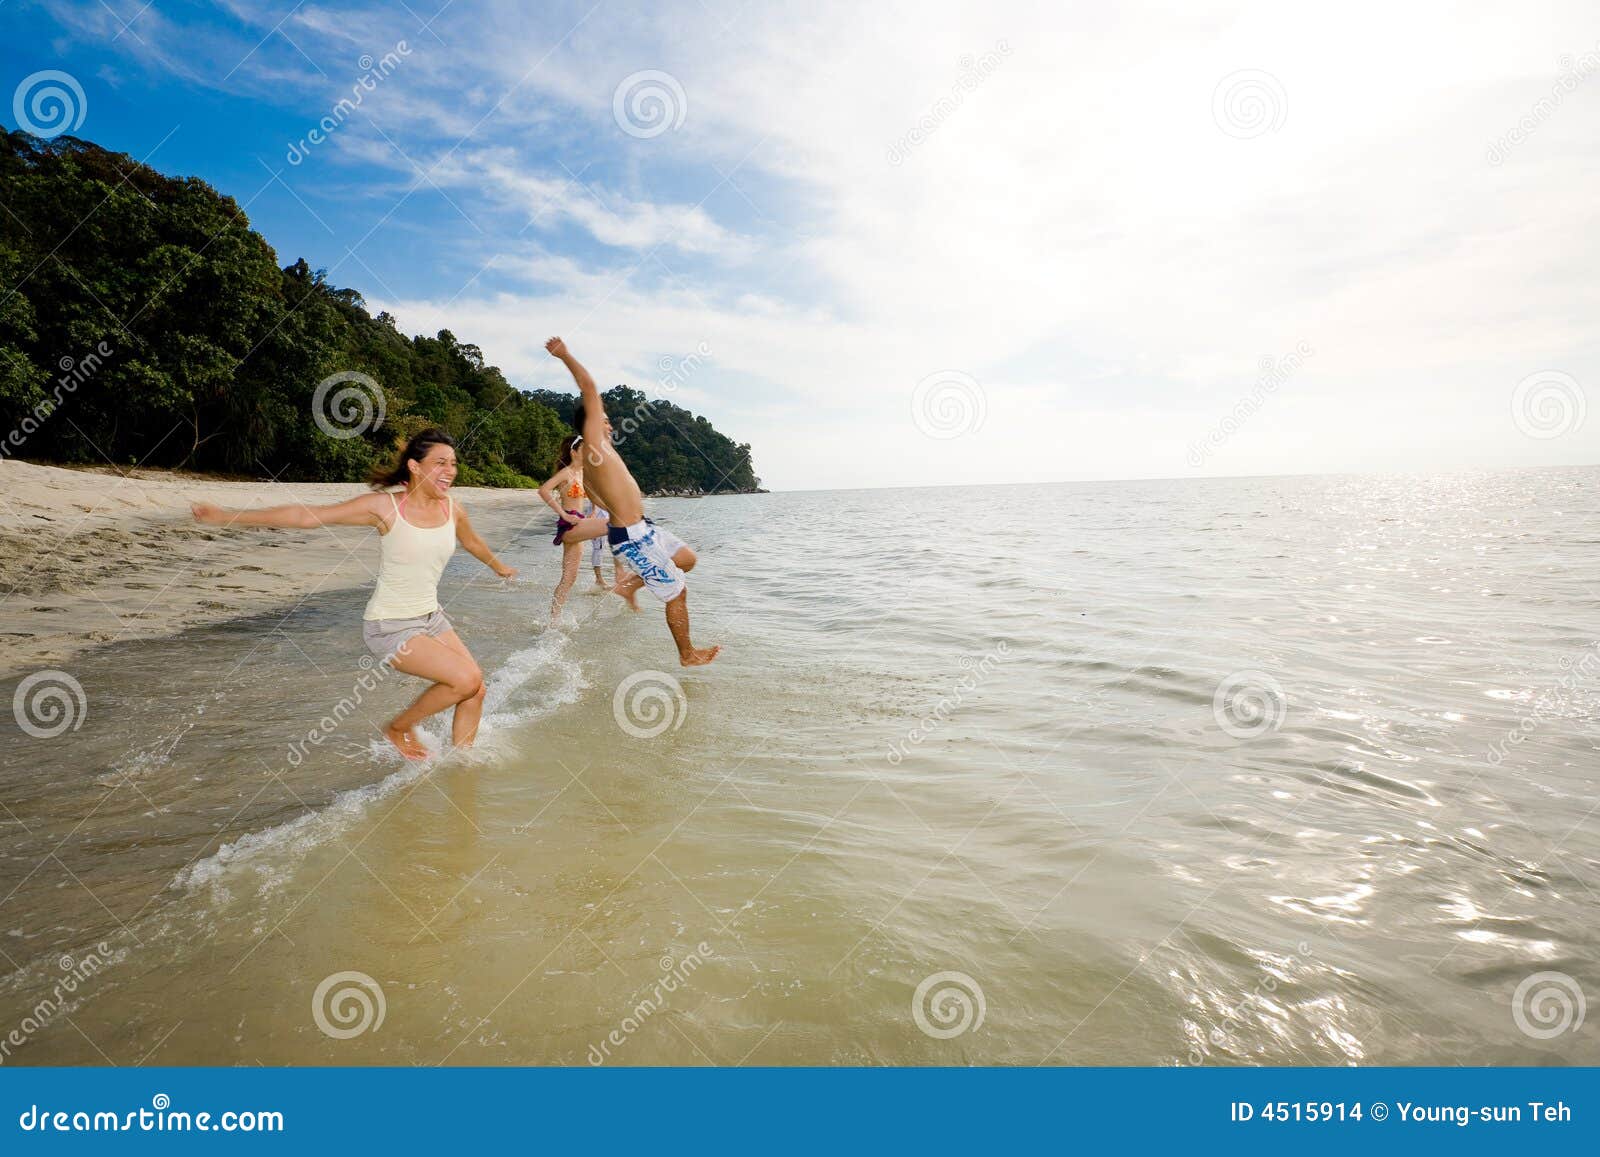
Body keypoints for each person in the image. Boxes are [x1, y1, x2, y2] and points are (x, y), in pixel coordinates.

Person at [190, 428, 518, 760]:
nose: (450, 471)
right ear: (415, 466)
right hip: (390, 626)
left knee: (476, 691)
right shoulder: (384, 507)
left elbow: (471, 541)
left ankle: (461, 765)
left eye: (454, 463)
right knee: (466, 679)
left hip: (431, 618)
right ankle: (399, 728)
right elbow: (308, 516)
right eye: (441, 463)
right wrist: (226, 516)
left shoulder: (452, 509)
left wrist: (499, 566)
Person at [545, 336, 719, 665]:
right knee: (677, 592)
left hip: (643, 529)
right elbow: (589, 387)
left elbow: (600, 499)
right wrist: (565, 355)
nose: (609, 423)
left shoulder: (601, 458)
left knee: (687, 559)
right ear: (591, 423)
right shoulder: (594, 445)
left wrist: (614, 514)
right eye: (604, 418)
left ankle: (629, 585)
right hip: (634, 536)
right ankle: (687, 654)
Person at [536, 434, 611, 624]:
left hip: (580, 522)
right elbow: (543, 490)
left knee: (569, 578)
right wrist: (563, 514)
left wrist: (596, 511)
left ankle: (553, 620)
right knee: (614, 524)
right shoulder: (566, 472)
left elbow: (594, 496)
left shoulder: (583, 473)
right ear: (574, 452)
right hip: (569, 526)